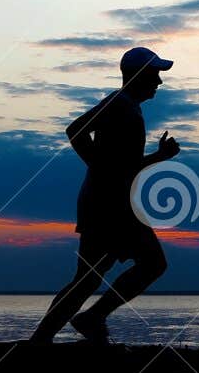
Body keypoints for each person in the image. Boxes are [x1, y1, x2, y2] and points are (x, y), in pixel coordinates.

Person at [31, 46, 180, 344]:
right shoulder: (119, 103)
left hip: (109, 203)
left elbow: (123, 167)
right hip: (109, 206)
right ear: (138, 75)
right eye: (154, 75)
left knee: (88, 278)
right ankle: (87, 319)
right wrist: (100, 166)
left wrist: (155, 157)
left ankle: (43, 339)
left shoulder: (128, 107)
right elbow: (75, 130)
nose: (159, 83)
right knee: (151, 264)